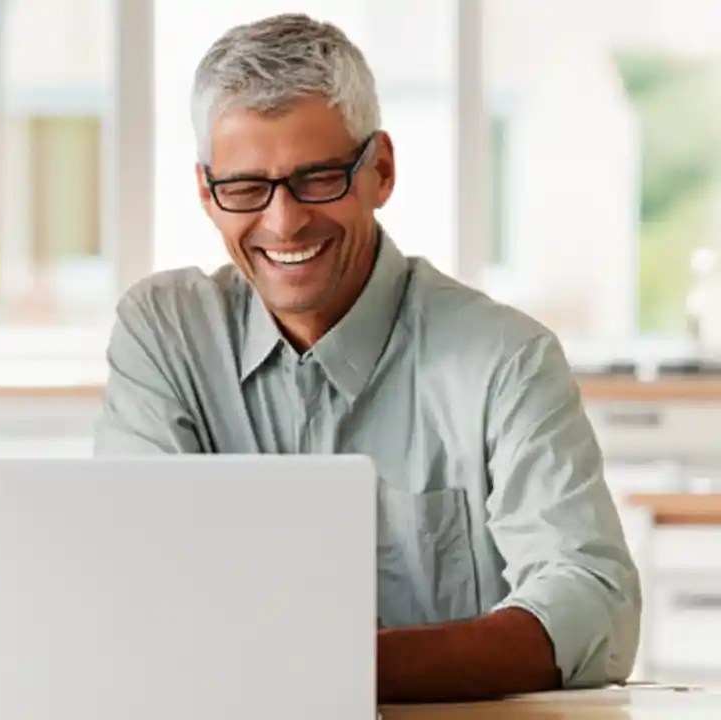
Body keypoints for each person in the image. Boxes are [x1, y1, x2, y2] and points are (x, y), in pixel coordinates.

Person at [95, 13, 640, 702]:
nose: (284, 221)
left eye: (318, 179)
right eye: (245, 188)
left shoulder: (506, 358)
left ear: (379, 171)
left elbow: (593, 604)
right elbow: (136, 574)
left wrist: (337, 669)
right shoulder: (164, 333)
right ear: (207, 194)